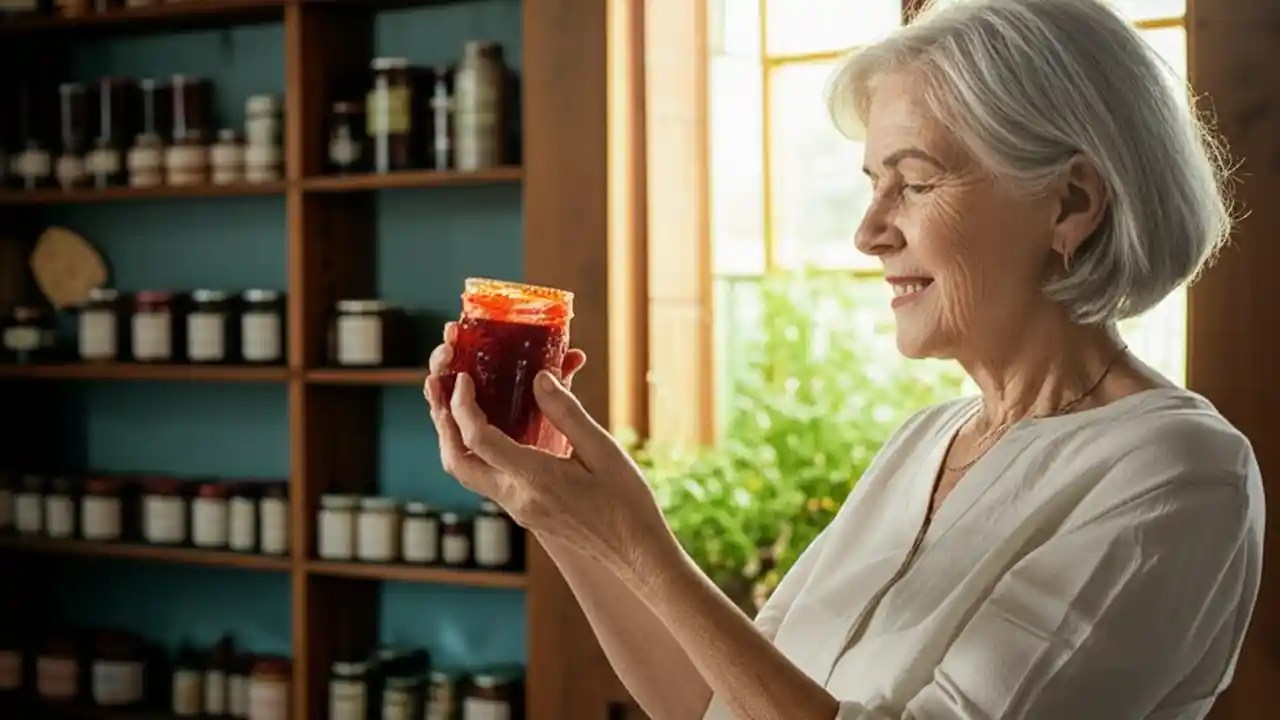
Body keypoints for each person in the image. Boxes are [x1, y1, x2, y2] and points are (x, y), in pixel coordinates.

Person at [423, 0, 1264, 717]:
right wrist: (554, 503)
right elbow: (708, 700)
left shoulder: (1177, 471)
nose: (870, 233)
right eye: (871, 183)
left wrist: (641, 543)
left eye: (916, 180)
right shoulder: (925, 442)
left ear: (1071, 202)